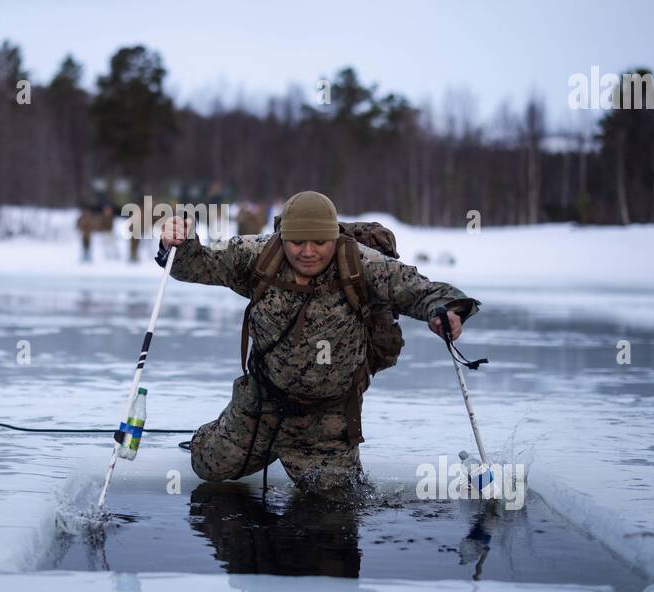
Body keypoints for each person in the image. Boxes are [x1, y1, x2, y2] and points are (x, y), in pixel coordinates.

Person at [158, 190, 480, 494]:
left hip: (328, 422)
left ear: (334, 237)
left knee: (337, 506)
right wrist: (179, 243)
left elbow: (419, 289)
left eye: (320, 241)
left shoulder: (362, 265)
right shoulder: (257, 256)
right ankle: (213, 434)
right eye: (296, 241)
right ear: (282, 236)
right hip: (260, 404)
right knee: (206, 466)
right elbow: (195, 264)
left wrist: (448, 310)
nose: (308, 252)